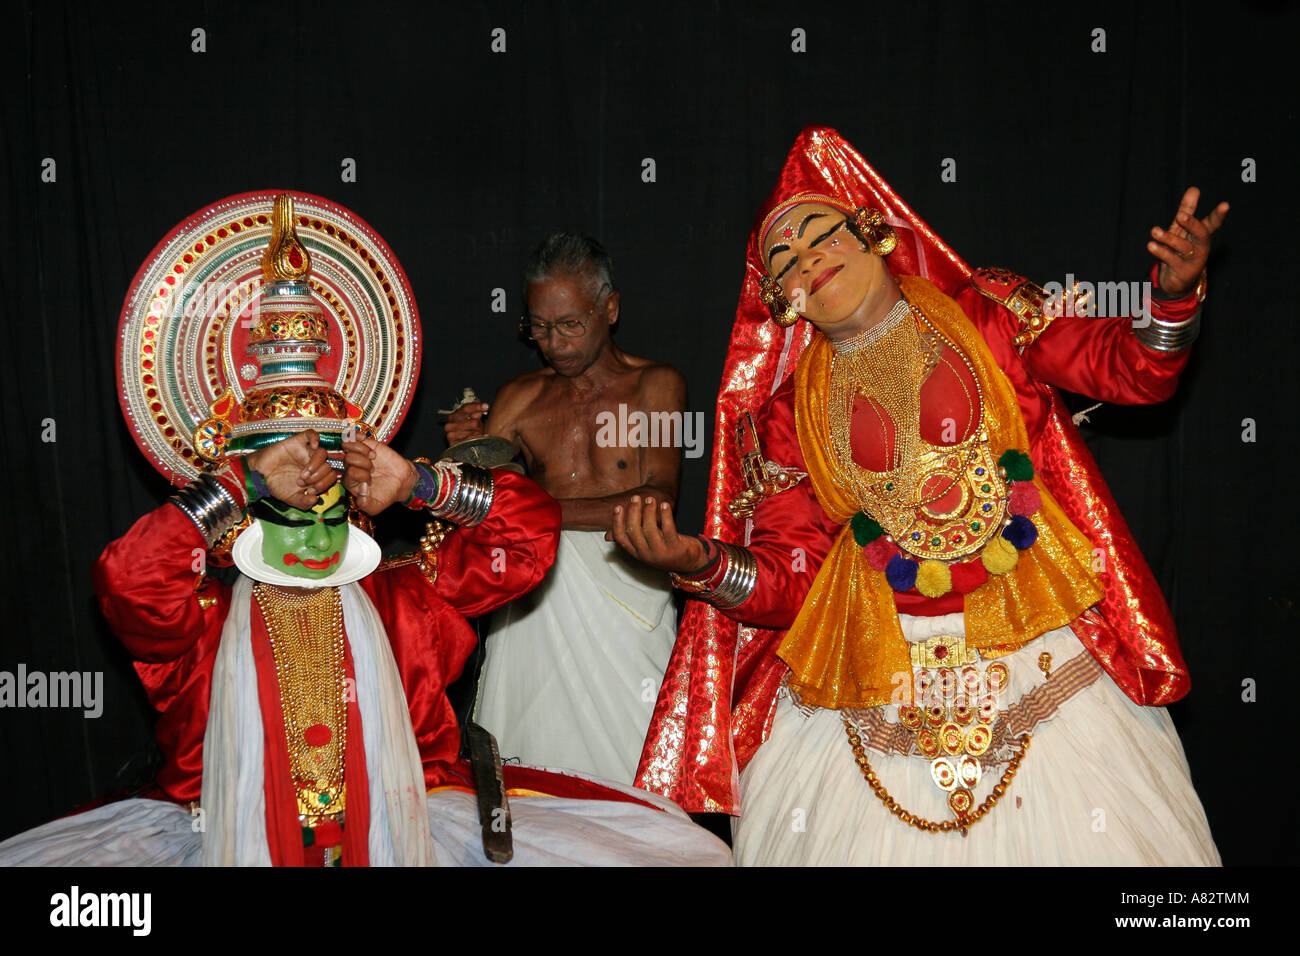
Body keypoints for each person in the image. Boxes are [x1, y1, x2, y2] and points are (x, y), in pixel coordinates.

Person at [0, 195, 731, 867]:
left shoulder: (406, 600)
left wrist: (420, 484)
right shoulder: (204, 615)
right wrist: (241, 484)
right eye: (284, 459)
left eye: (323, 451)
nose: (307, 475)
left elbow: (527, 539)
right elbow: (126, 578)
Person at [612, 127, 1226, 865]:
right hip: (870, 681)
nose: (809, 259)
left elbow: (1129, 371)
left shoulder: (987, 317)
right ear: (782, 301)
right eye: (787, 260)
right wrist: (702, 561)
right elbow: (788, 586)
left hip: (1041, 655)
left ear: (870, 233)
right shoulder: (782, 424)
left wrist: (1172, 296)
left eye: (821, 235)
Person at [444, 232, 687, 786]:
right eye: (539, 327)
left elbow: (654, 500)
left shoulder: (653, 386)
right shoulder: (520, 397)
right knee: (532, 772)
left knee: (639, 769)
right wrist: (462, 454)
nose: (554, 343)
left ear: (611, 307)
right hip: (536, 598)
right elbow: (477, 506)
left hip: (626, 592)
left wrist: (531, 509)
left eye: (571, 324)